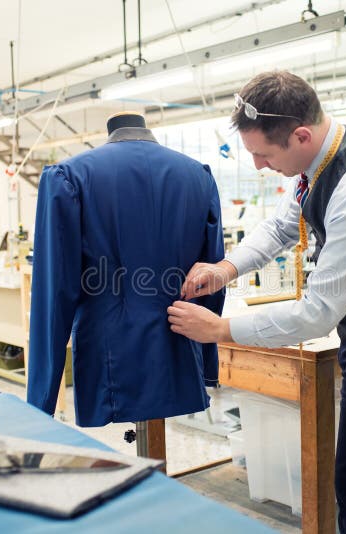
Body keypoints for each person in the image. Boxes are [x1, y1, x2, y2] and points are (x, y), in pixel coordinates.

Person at [167, 71, 346, 533]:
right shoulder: (319, 161)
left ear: (300, 134)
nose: (258, 165)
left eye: (263, 154)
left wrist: (220, 331)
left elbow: (318, 313)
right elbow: (282, 227)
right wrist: (226, 268)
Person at [28, 111, 224, 427]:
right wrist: (205, 360)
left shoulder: (70, 177)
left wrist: (41, 399)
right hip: (178, 344)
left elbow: (53, 294)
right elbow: (210, 275)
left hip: (111, 358)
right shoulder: (197, 176)